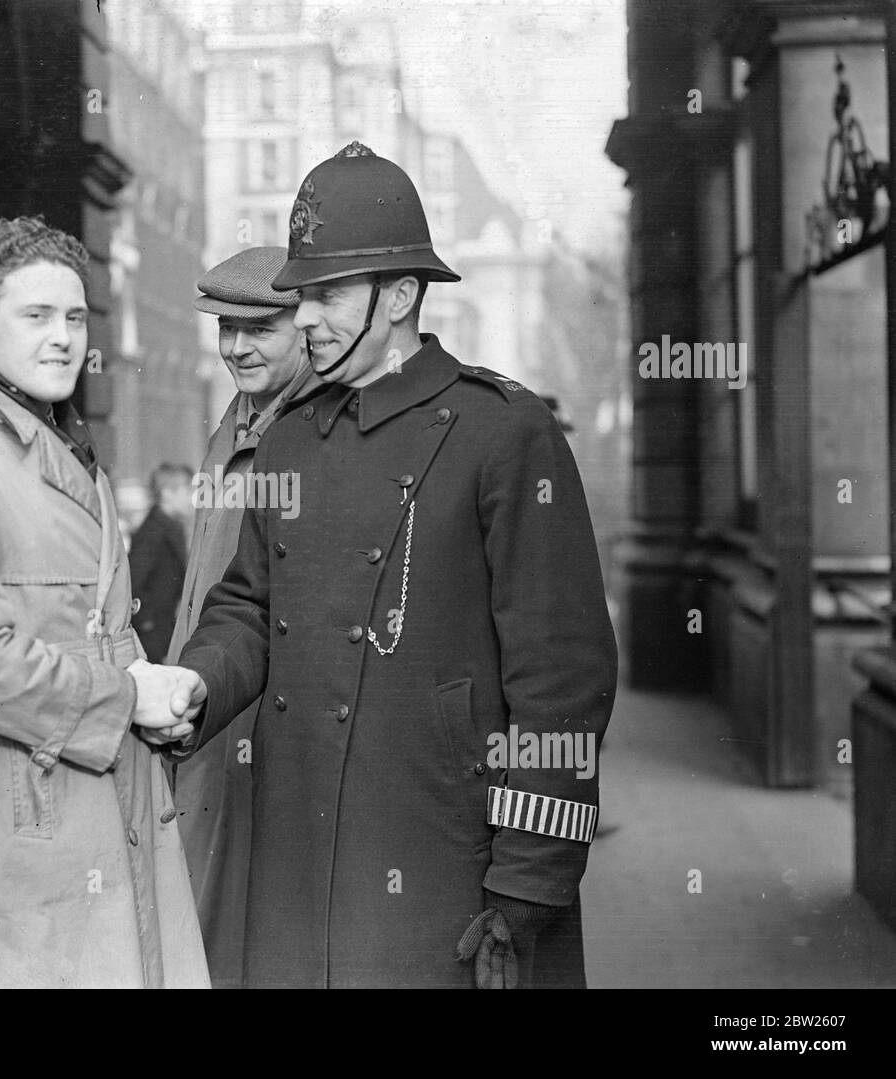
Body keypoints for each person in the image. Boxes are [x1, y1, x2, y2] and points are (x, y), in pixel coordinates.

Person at [168, 143, 618, 988]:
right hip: (296, 858)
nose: (305, 320)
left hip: (449, 867)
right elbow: (247, 606)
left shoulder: (505, 431)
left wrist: (526, 884)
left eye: (329, 295)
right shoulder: (291, 437)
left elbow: (564, 679)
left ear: (403, 294)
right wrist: (196, 684)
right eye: (301, 297)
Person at [0, 214, 209, 988]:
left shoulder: (64, 447)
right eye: (35, 315)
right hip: (15, 807)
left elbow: (98, 626)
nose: (62, 337)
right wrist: (129, 697)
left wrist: (157, 702)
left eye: (73, 316)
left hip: (105, 796)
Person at [165, 246, 322, 988]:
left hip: (266, 728)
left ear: (306, 325)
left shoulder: (319, 429)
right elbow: (205, 581)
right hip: (206, 714)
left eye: (260, 328)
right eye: (227, 327)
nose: (236, 347)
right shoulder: (235, 419)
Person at [128, 464, 193, 661]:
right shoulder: (153, 531)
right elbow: (134, 580)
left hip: (164, 631)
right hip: (155, 636)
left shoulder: (170, 526)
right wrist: (148, 625)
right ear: (167, 493)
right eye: (187, 489)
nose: (191, 497)